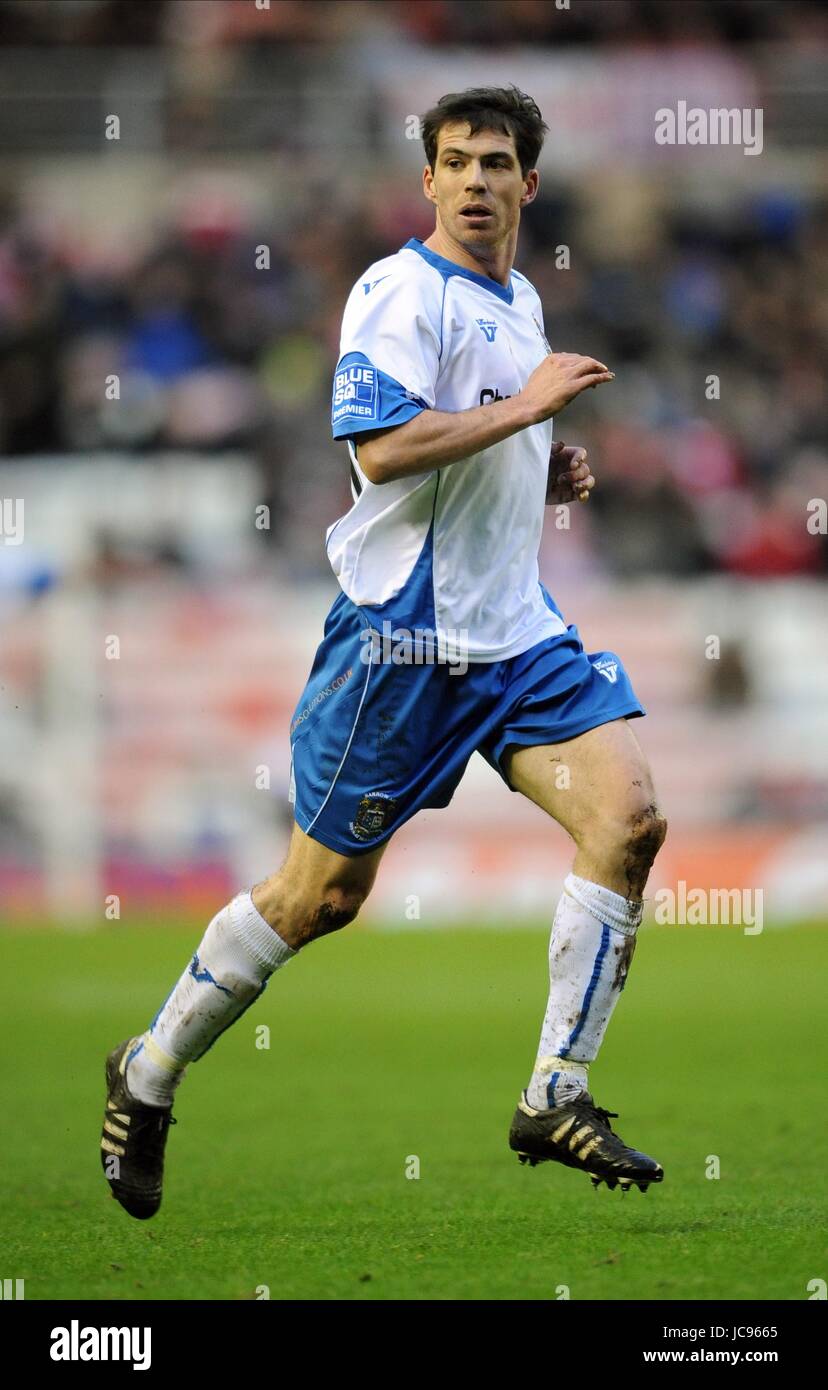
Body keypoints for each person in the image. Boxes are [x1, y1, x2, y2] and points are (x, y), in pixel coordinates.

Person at [100, 85, 667, 1220]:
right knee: (321, 896)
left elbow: (484, 429)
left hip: (514, 637)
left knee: (630, 820)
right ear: (426, 181)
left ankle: (554, 1090)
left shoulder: (520, 304)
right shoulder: (398, 291)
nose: (474, 181)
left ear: (528, 185)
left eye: (495, 164)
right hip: (402, 642)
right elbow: (381, 448)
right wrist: (524, 419)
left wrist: (540, 467)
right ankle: (149, 1069)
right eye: (454, 162)